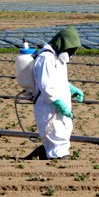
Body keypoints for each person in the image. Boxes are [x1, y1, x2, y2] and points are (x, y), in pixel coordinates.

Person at [25, 25, 84, 160]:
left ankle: (49, 153)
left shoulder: (57, 58)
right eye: (71, 50)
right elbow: (46, 86)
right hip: (48, 106)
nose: (72, 54)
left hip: (57, 104)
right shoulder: (46, 58)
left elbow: (57, 79)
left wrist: (71, 88)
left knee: (63, 130)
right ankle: (57, 158)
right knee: (56, 132)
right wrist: (58, 102)